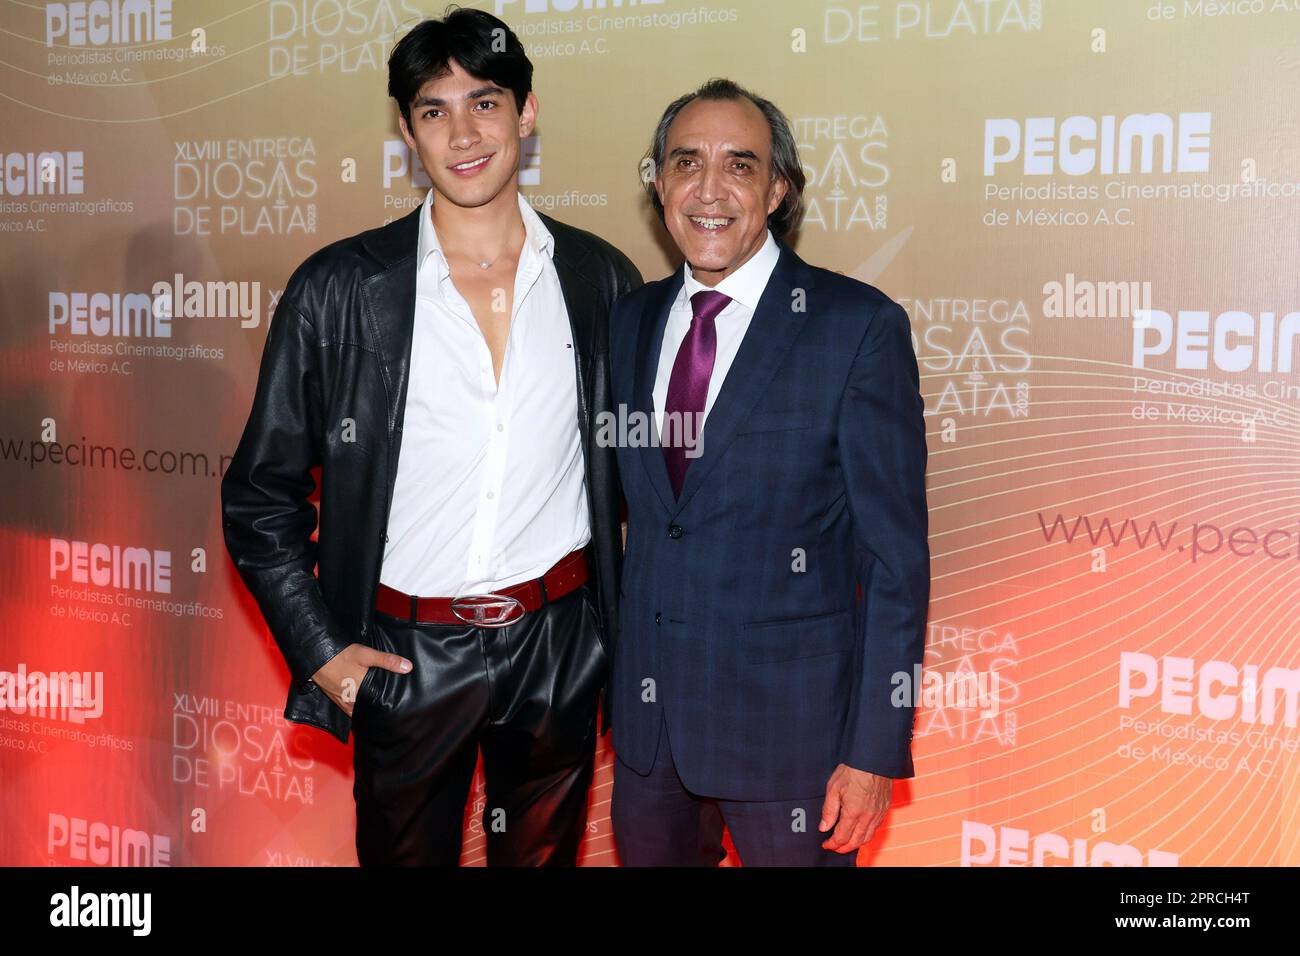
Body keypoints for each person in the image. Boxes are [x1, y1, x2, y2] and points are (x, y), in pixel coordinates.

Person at [221, 7, 641, 866]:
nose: (462, 133)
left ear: (527, 112)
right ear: (408, 131)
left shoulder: (599, 279)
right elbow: (258, 498)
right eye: (433, 110)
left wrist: (604, 643)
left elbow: (639, 478)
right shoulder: (338, 290)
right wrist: (325, 654)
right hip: (404, 657)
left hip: (557, 647)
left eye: (484, 103)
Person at [607, 78, 930, 866]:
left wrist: (874, 751)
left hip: (796, 746)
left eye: (740, 166)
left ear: (778, 189)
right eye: (684, 162)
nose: (708, 189)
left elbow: (894, 562)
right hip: (650, 742)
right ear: (658, 183)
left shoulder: (856, 327)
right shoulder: (630, 319)